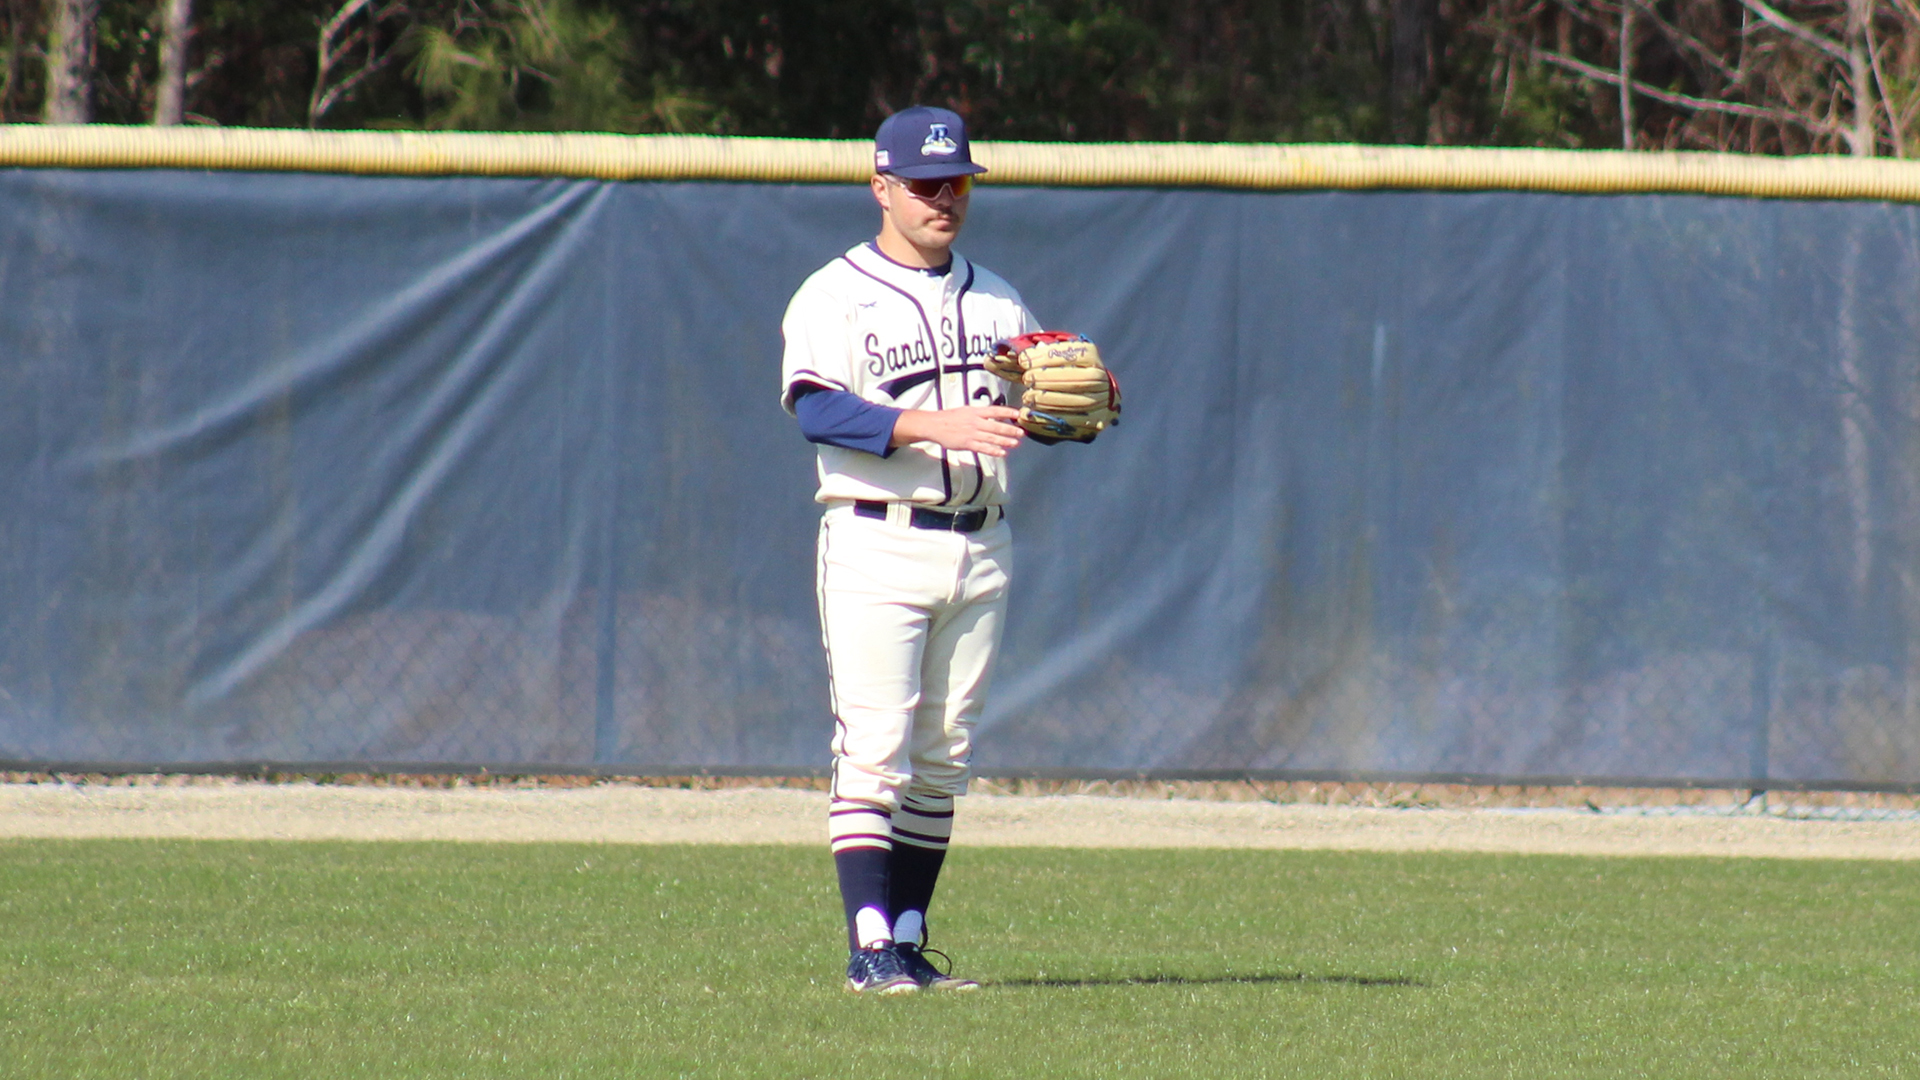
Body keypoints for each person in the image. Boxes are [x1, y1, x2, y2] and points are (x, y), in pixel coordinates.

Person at [779, 105, 1042, 995]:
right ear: (880, 186)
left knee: (943, 752)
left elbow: (1036, 399)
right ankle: (866, 950)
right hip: (876, 542)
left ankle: (910, 942)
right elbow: (815, 407)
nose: (944, 198)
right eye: (926, 183)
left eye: (957, 181)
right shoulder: (835, 293)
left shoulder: (999, 296)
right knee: (877, 747)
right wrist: (934, 423)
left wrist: (1076, 406)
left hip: (983, 544)